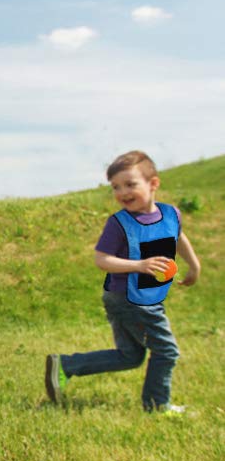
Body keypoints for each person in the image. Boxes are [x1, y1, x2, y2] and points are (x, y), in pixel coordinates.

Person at [46, 151, 201, 413]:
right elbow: (102, 259)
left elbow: (179, 237)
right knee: (167, 351)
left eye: (130, 184)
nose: (123, 192)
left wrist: (194, 265)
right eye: (116, 187)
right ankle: (157, 406)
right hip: (130, 299)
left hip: (134, 299)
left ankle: (66, 366)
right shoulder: (119, 223)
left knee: (130, 356)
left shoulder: (170, 214)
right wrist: (139, 265)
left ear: (153, 184)